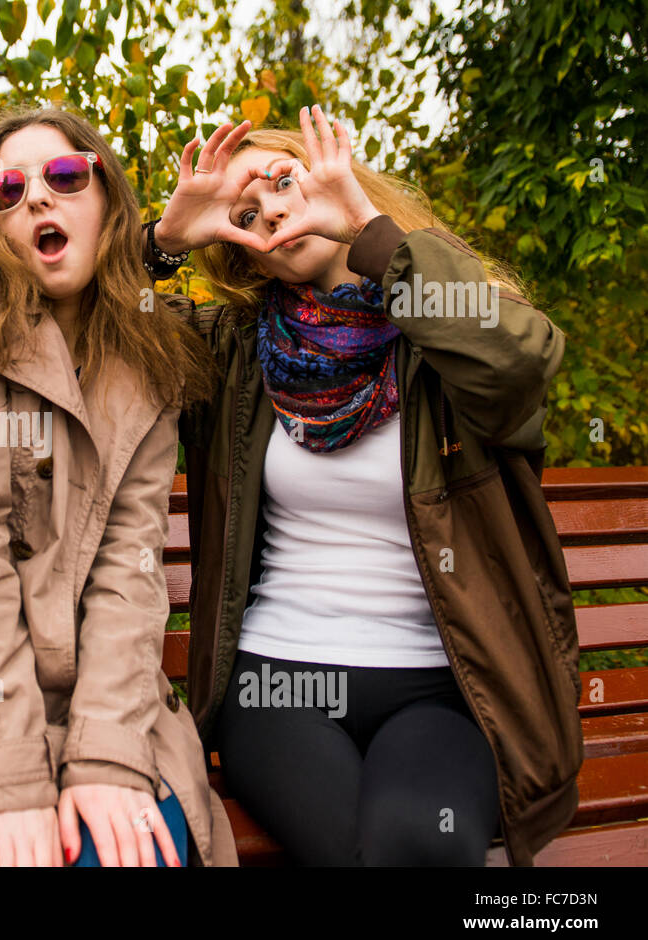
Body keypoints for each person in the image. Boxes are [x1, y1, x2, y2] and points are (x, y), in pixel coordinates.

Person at [141, 105, 581, 865]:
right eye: (247, 213)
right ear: (248, 253)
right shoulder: (236, 352)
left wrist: (371, 231)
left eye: (285, 182)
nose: (273, 208)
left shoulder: (440, 328)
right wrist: (164, 242)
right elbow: (94, 320)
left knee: (417, 842)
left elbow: (517, 367)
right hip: (279, 686)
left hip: (441, 686)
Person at [0, 106, 239, 867]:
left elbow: (129, 576)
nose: (37, 197)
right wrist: (8, 774)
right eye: (6, 187)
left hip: (114, 706)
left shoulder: (149, 356)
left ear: (106, 199)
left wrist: (104, 757)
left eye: (65, 176)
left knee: (124, 848)